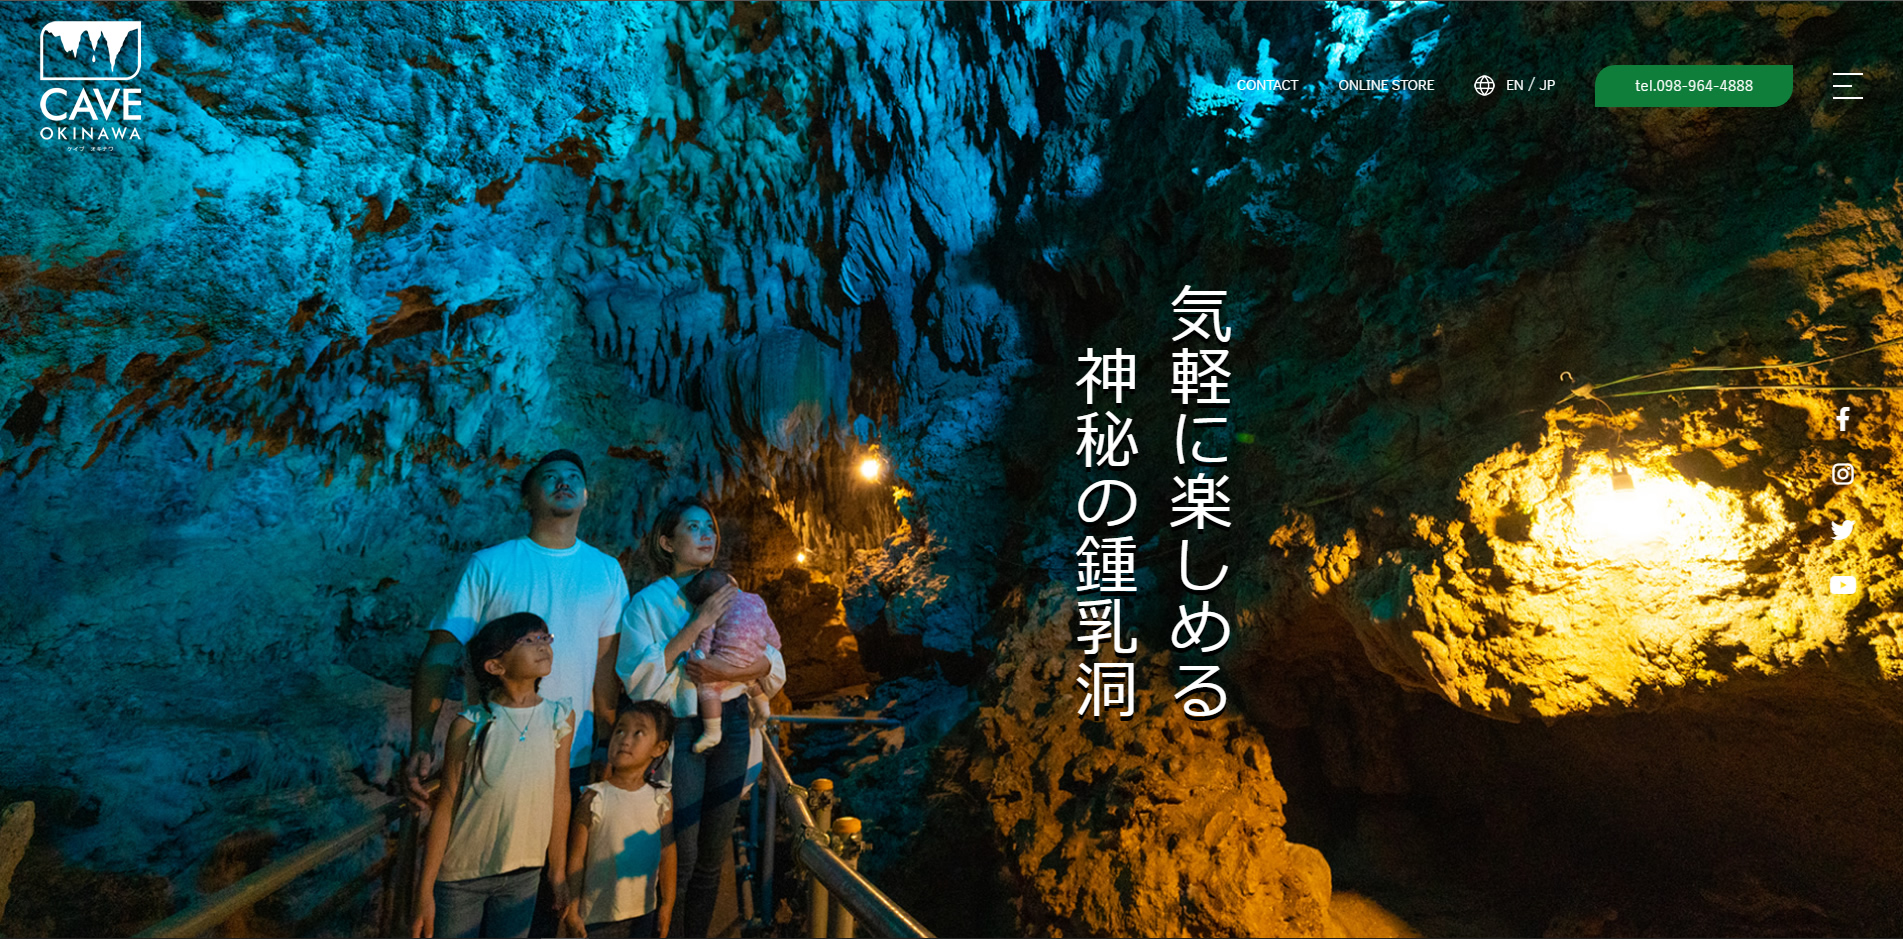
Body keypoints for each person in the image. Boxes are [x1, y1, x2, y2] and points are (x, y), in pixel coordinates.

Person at [404, 449, 629, 808]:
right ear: (527, 499)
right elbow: (440, 653)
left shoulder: (607, 571)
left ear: (586, 497)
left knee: (561, 863)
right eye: (550, 476)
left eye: (574, 477)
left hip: (576, 751)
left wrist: (605, 741)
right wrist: (421, 741)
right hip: (495, 746)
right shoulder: (489, 565)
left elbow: (604, 663)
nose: (563, 482)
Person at [617, 499, 786, 939]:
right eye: (693, 528)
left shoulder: (735, 593)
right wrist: (699, 623)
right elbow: (639, 681)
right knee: (682, 852)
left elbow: (771, 662)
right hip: (682, 727)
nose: (707, 534)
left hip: (731, 722)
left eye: (709, 527)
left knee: (714, 852)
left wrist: (732, 672)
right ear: (667, 542)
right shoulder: (646, 605)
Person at [411, 613, 574, 939]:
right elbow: (448, 803)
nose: (542, 646)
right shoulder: (470, 724)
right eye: (528, 641)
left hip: (524, 875)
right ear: (495, 666)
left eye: (545, 638)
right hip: (461, 876)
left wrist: (558, 871)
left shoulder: (559, 717)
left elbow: (560, 794)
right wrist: (424, 890)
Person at [562, 697, 678, 939]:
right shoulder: (594, 797)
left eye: (638, 733)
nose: (625, 739)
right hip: (597, 918)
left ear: (659, 748)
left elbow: (668, 853)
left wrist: (667, 904)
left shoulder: (661, 799)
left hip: (644, 913)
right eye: (620, 730)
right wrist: (572, 911)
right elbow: (576, 859)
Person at [676, 569, 782, 754]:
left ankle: (712, 732)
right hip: (754, 656)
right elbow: (769, 627)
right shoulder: (756, 599)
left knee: (709, 688)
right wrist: (774, 645)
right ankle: (763, 708)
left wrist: (701, 657)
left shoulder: (716, 608)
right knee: (750, 680)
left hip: (726, 659)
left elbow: (706, 637)